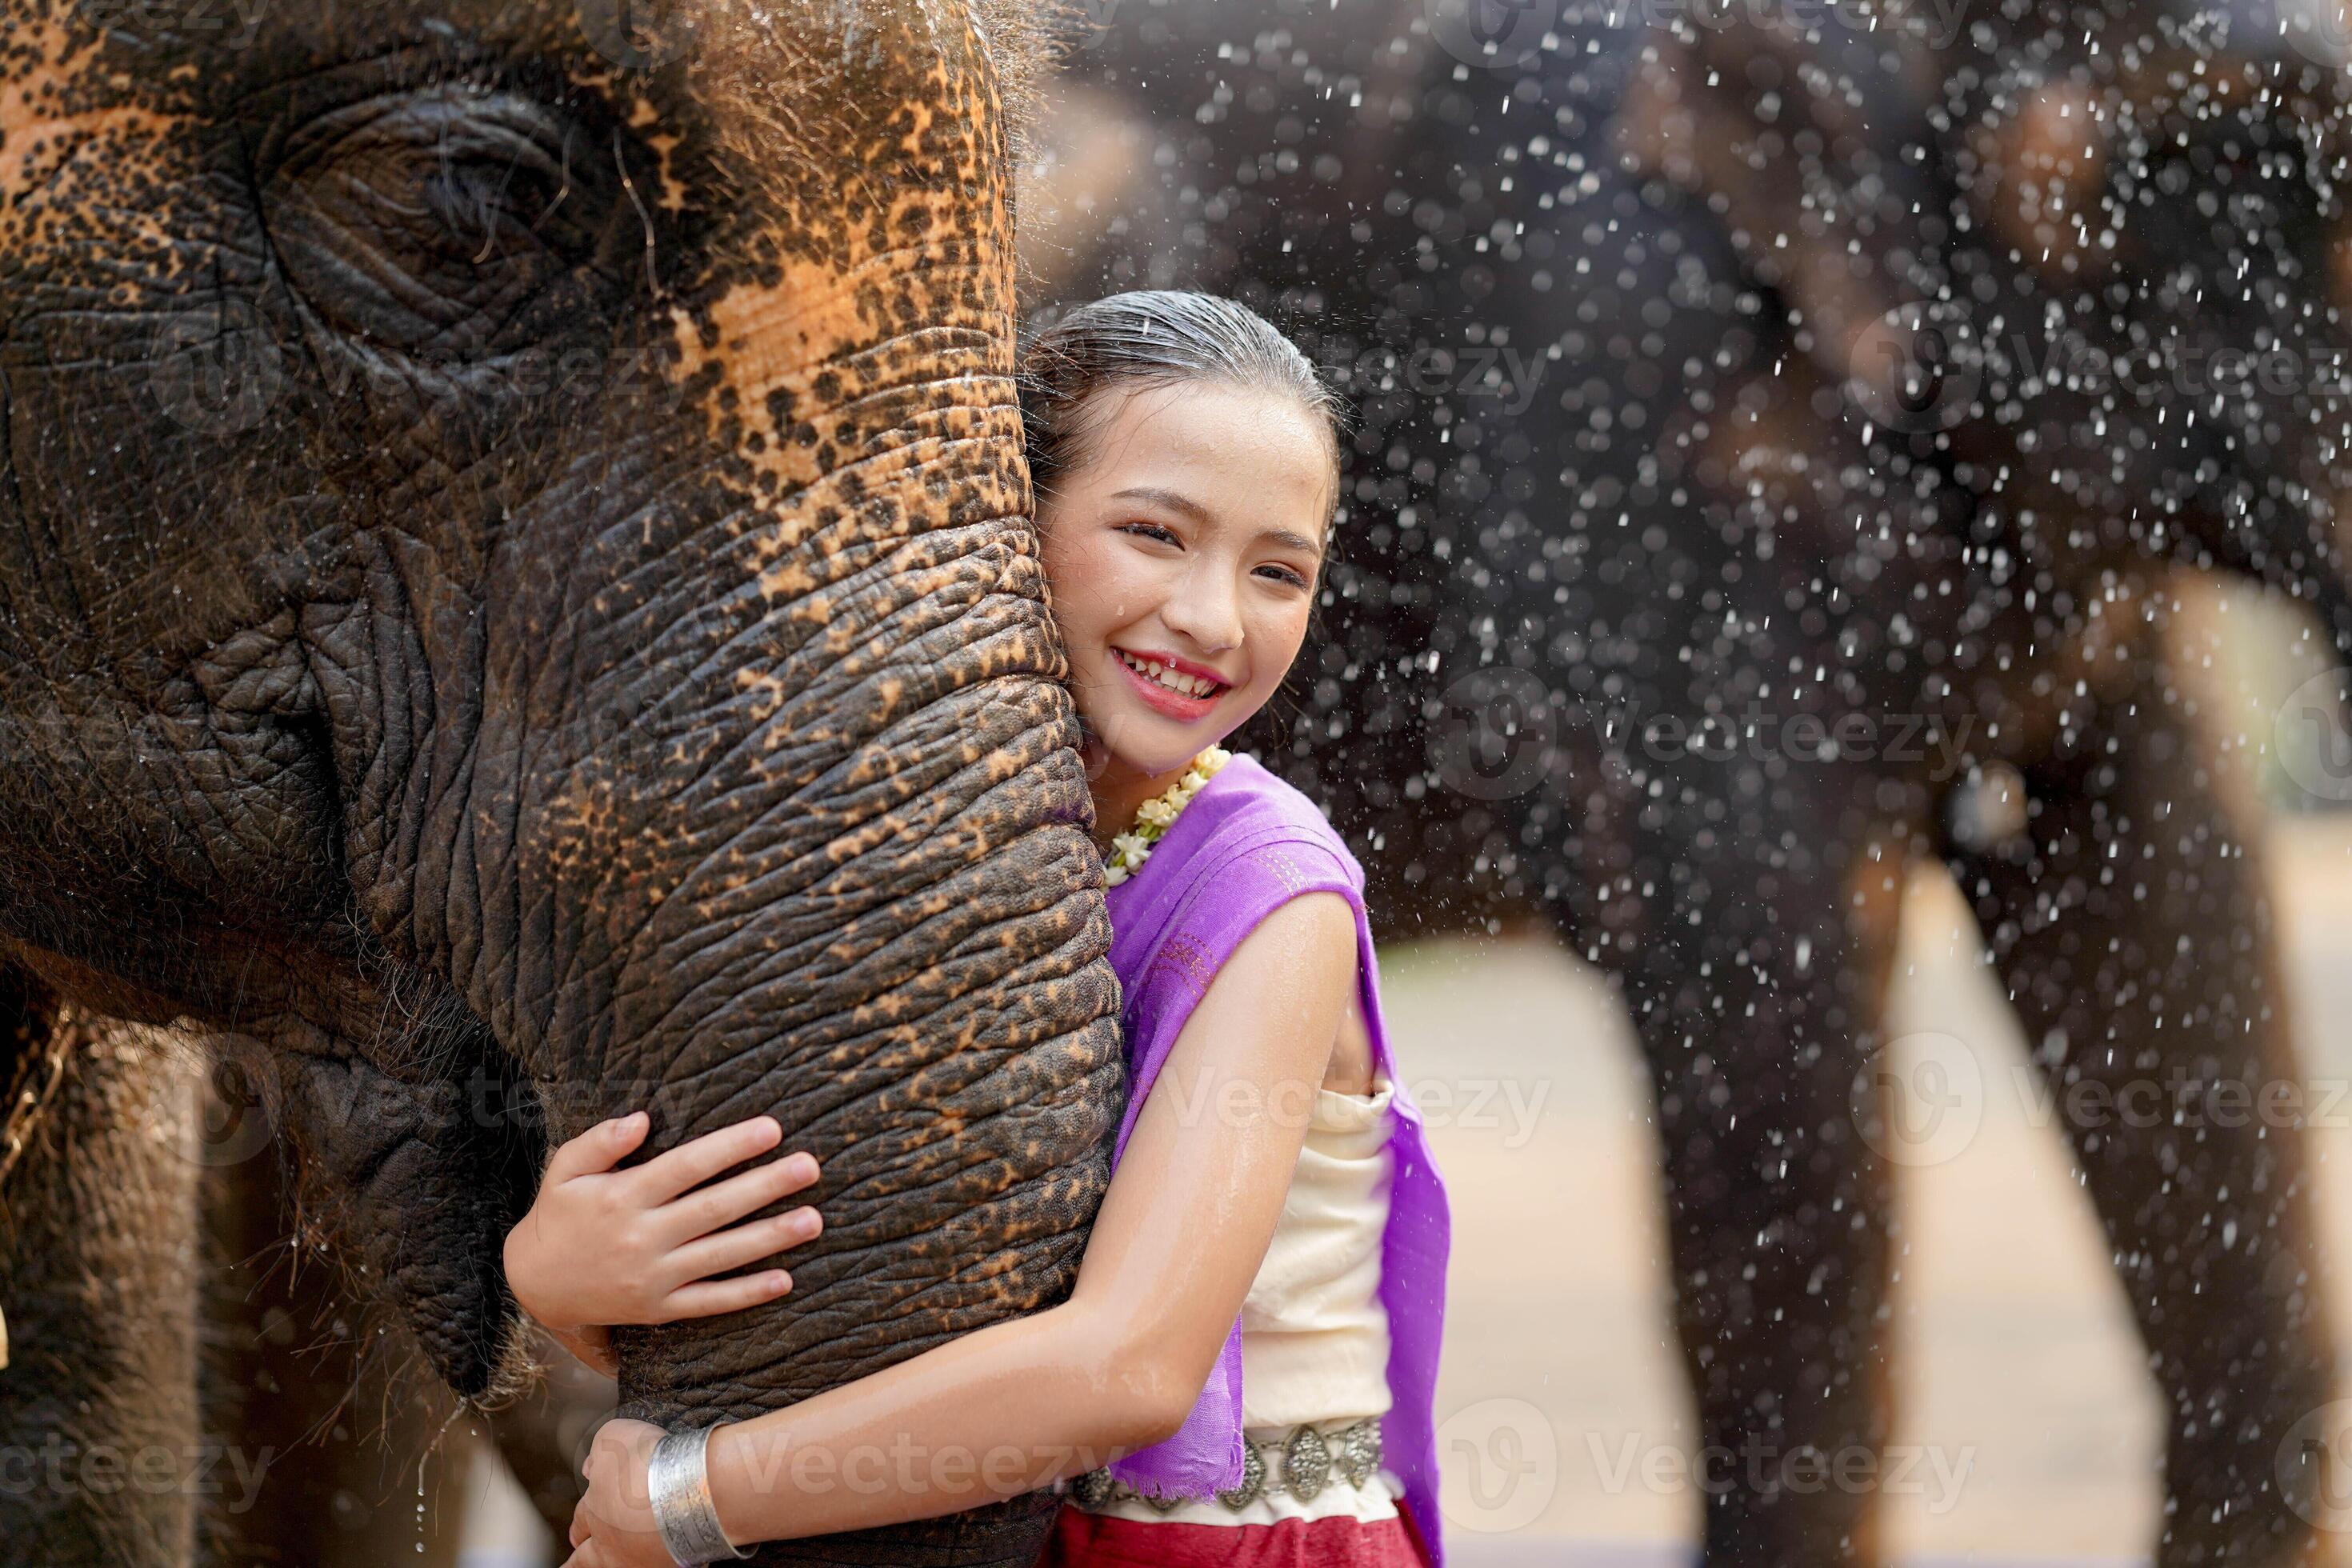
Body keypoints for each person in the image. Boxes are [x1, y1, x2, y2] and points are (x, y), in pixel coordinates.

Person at [506, 291, 1452, 1568]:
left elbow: (1129, 1367)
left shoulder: (1273, 895)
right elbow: (843, 1253)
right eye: (1155, 536)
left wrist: (688, 1499)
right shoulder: (916, 843)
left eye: (1277, 570)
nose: (1215, 619)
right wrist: (561, 1281)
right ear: (1004, 522)